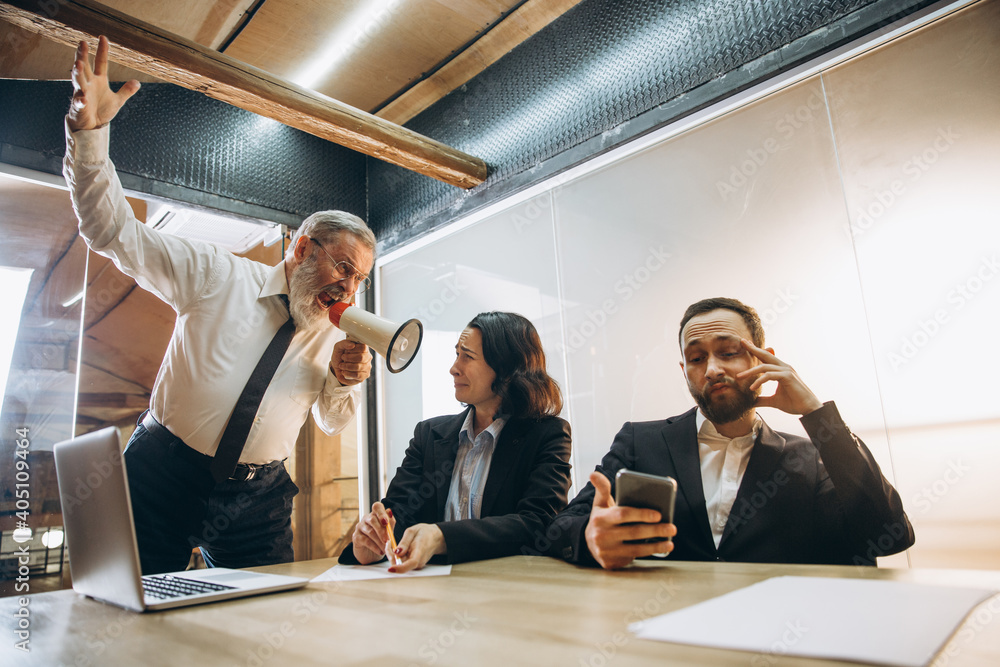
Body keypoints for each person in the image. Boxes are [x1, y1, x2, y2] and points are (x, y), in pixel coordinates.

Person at [64, 37, 374, 574]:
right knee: (129, 609)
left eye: (361, 279)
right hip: (163, 471)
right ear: (302, 248)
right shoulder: (217, 274)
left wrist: (344, 381)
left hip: (260, 499)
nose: (349, 290)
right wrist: (89, 135)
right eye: (343, 269)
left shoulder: (338, 328)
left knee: (259, 625)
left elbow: (329, 421)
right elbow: (112, 230)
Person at [545, 297, 914, 569]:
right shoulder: (640, 442)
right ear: (684, 369)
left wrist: (817, 415)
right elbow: (558, 529)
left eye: (729, 352)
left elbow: (889, 535)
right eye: (697, 358)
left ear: (762, 358)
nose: (712, 369)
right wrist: (590, 538)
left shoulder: (812, 455)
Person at [339, 312, 572, 572]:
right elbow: (398, 515)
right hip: (430, 593)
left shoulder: (547, 435)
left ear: (506, 368)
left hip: (506, 592)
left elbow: (537, 525)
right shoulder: (428, 434)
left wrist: (443, 536)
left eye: (467, 356)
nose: (454, 368)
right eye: (456, 354)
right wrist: (371, 544)